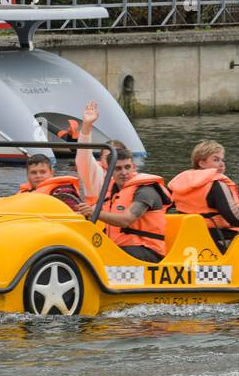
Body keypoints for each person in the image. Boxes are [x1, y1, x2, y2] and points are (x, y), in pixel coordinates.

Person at [73, 101, 170, 262]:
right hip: (115, 246)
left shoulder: (146, 189)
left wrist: (93, 212)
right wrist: (86, 127)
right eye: (118, 168)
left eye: (127, 167)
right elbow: (83, 159)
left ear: (133, 166)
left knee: (102, 258)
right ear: (108, 166)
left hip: (145, 251)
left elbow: (126, 220)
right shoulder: (108, 187)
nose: (124, 172)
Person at [168, 140, 239, 250]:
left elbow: (164, 206)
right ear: (202, 163)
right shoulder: (216, 185)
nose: (221, 164)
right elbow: (233, 216)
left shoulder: (179, 184)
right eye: (216, 159)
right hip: (219, 238)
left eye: (222, 160)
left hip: (187, 236)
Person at [18, 154, 82, 210]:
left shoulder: (62, 192)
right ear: (27, 175)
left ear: (51, 173)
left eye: (43, 172)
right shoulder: (23, 193)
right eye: (33, 173)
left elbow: (77, 213)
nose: (38, 176)